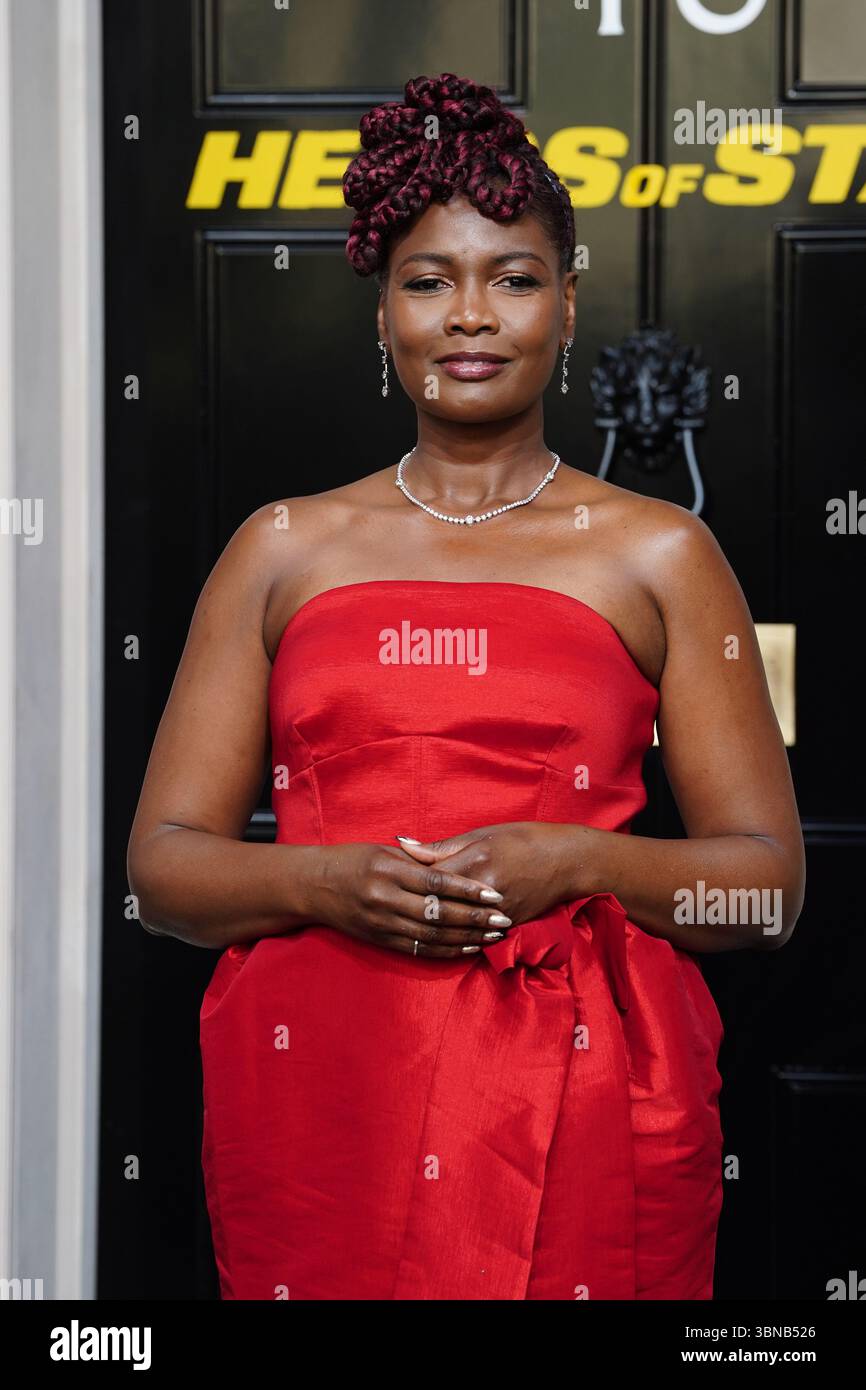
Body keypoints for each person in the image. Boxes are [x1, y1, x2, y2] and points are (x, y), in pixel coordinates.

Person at [127, 72, 805, 1300]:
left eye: (513, 276)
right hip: (326, 1094)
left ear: (567, 303)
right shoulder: (281, 547)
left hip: (588, 1095)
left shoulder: (656, 553)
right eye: (428, 280)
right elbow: (166, 867)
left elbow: (761, 889)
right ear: (380, 313)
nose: (469, 316)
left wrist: (576, 860)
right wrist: (324, 878)